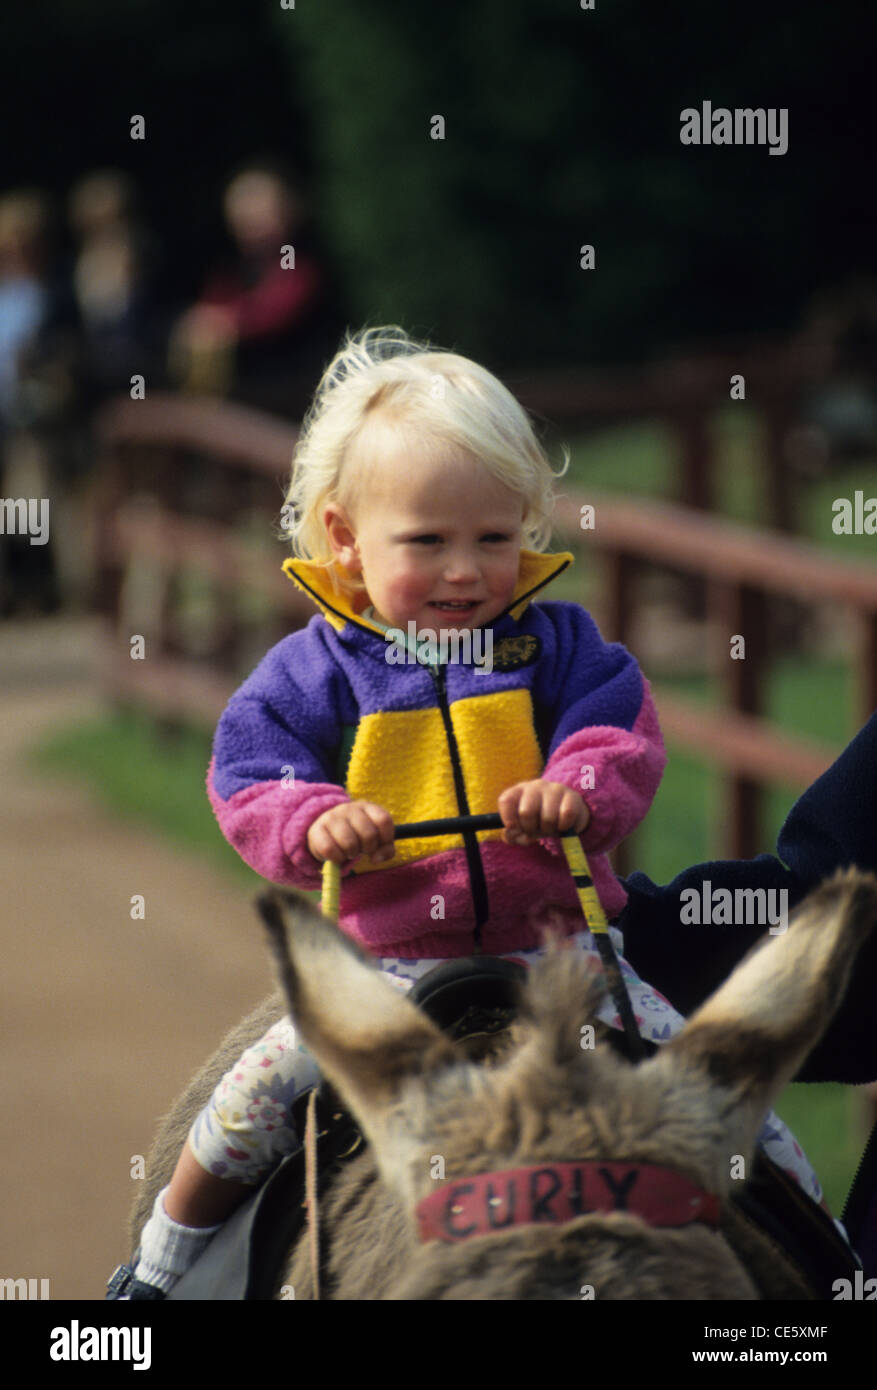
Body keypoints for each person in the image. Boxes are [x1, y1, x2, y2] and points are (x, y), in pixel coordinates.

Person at [117, 325, 846, 1297]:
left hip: (568, 961)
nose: (465, 570)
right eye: (427, 542)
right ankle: (157, 1271)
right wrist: (314, 820)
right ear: (344, 537)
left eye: (493, 539)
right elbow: (250, 774)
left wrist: (576, 791)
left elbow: (620, 734)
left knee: (735, 1110)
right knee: (245, 1108)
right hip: (382, 969)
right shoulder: (310, 668)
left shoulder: (560, 645)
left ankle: (835, 1264)